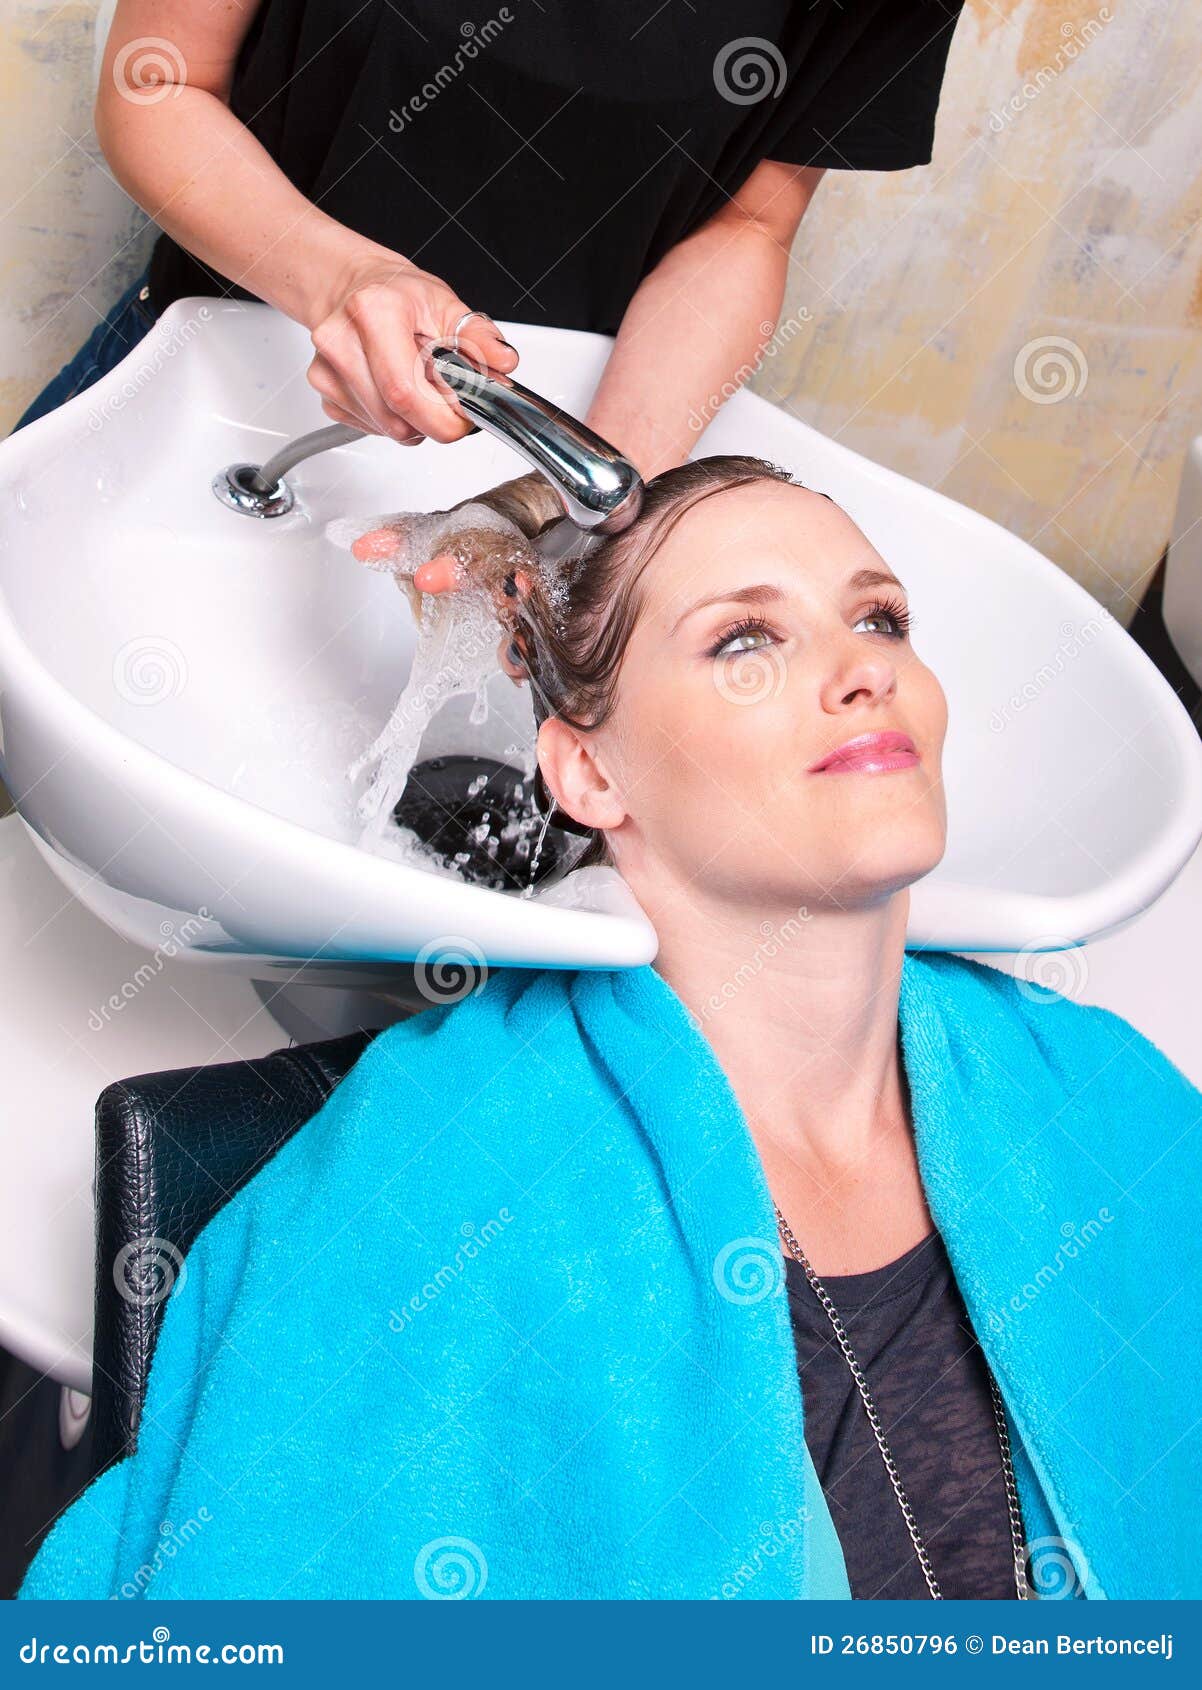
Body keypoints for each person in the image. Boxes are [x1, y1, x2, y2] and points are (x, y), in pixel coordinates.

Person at [19, 458, 1202, 1601]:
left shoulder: (1106, 1106)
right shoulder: (450, 1192)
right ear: (586, 771)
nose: (861, 671)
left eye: (881, 620)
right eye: (745, 639)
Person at [12, 0, 966, 609]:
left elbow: (748, 230)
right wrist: (341, 282)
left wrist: (577, 504)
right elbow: (161, 82)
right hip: (207, 396)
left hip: (556, 443)